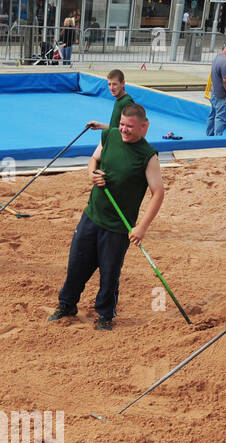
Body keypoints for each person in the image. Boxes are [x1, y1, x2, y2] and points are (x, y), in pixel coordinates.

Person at [48, 103, 164, 331]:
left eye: (129, 126)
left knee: (109, 273)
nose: (123, 130)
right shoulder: (109, 135)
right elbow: (94, 159)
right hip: (92, 215)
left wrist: (141, 228)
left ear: (144, 126)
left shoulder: (148, 156)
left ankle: (105, 315)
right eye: (121, 124)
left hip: (118, 227)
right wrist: (92, 174)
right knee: (77, 264)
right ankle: (67, 304)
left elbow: (158, 193)